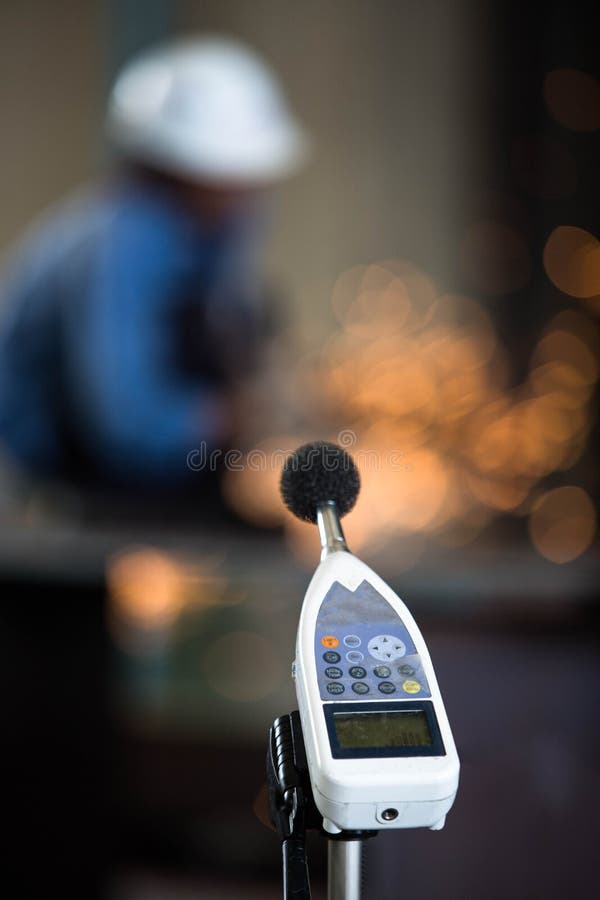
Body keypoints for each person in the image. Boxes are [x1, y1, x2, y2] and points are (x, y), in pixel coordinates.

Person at [0, 36, 308, 491]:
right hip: (56, 483)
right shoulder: (125, 245)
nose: (249, 193)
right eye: (232, 175)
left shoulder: (215, 233)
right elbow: (127, 423)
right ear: (178, 170)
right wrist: (233, 420)